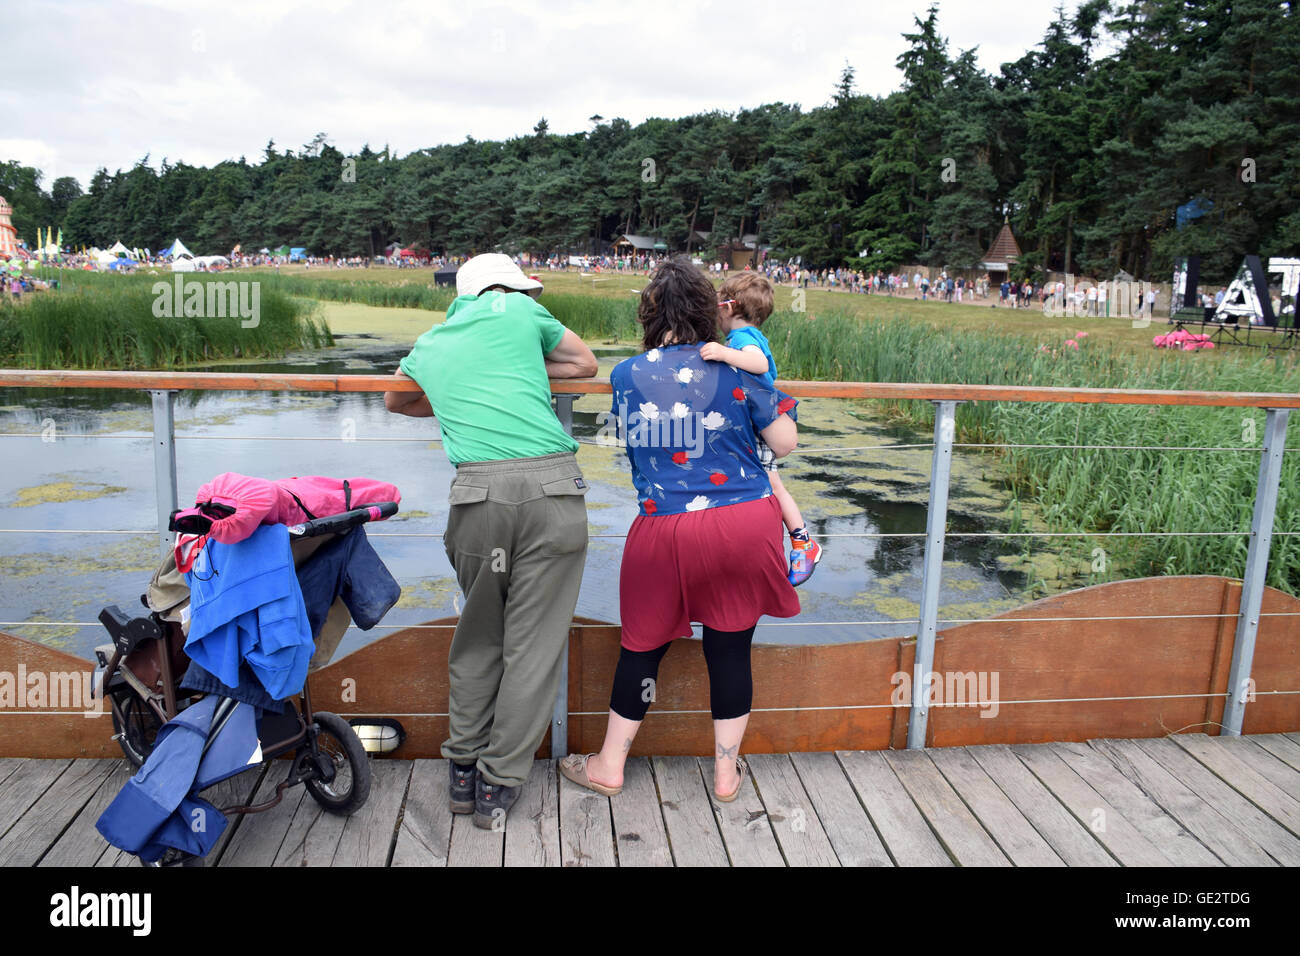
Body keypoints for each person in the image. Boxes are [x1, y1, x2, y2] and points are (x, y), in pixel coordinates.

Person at [559, 257, 800, 802]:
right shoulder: (741, 366)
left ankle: (609, 766)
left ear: (650, 312)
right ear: (710, 310)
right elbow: (783, 443)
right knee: (731, 650)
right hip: (743, 524)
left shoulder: (625, 374)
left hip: (663, 528)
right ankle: (724, 773)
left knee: (641, 649)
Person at [384, 253, 598, 829]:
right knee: (533, 647)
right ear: (506, 287)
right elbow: (583, 363)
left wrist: (456, 396)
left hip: (477, 498)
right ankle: (497, 786)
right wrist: (526, 369)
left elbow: (395, 400)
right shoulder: (523, 313)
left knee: (479, 636)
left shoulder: (435, 338)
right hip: (552, 492)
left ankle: (460, 771)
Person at [700, 271, 822, 584]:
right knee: (769, 483)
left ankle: (803, 542)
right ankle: (798, 541)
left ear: (728, 308)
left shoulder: (742, 339)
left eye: (716, 308)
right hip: (757, 420)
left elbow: (759, 365)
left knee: (772, 484)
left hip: (759, 423)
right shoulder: (747, 336)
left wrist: (723, 353)